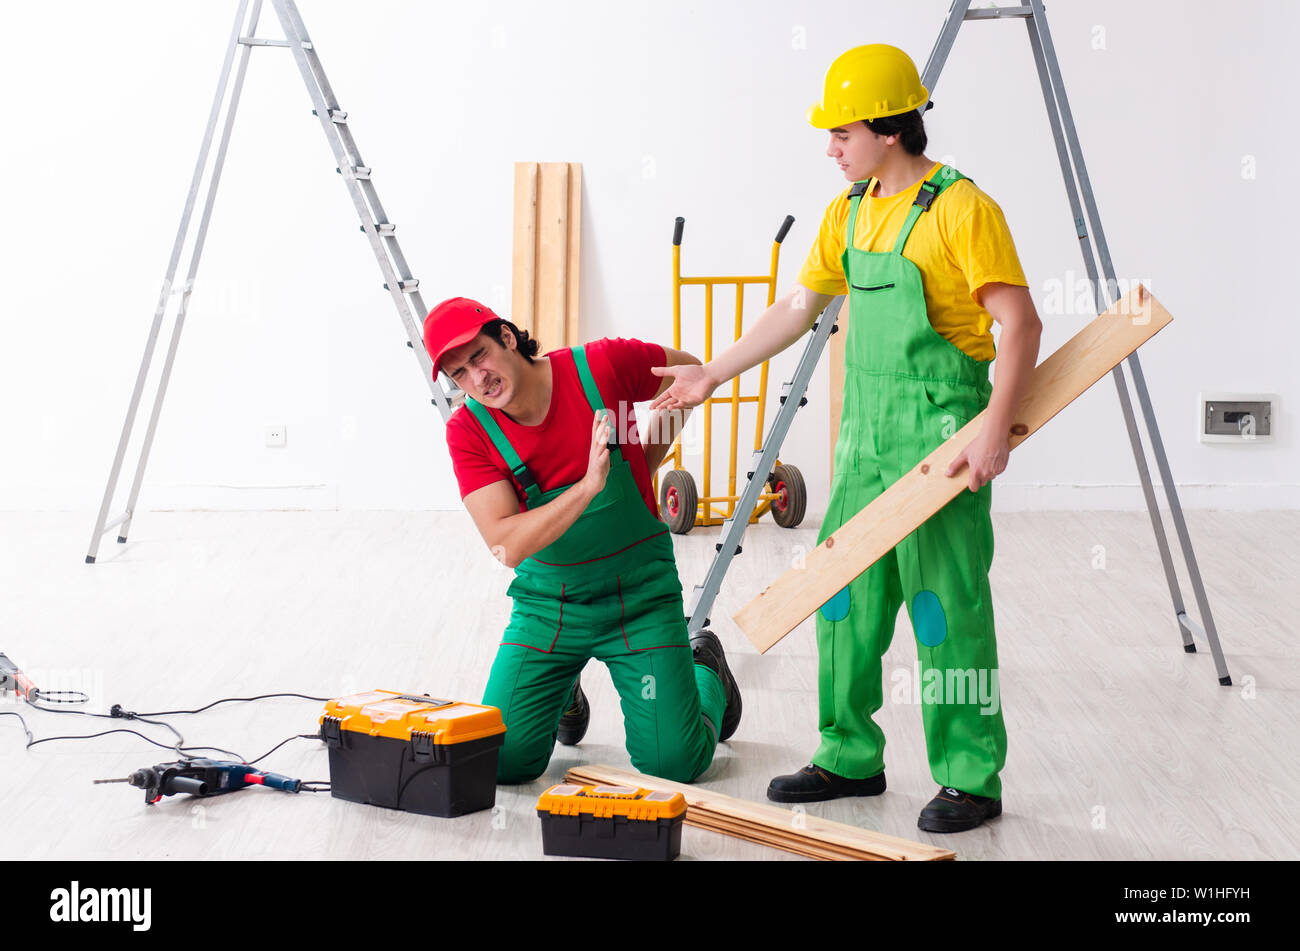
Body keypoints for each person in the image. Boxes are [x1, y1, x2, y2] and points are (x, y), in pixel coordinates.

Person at [649, 44, 1042, 832]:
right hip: (863, 447)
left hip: (943, 450)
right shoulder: (852, 210)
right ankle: (848, 756)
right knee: (843, 603)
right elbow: (798, 307)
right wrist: (712, 374)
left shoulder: (963, 210)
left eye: (842, 132)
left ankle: (971, 776)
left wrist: (996, 428)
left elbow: (1021, 322)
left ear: (889, 129)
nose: (830, 147)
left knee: (943, 613)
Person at [424, 297, 742, 785]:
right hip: (549, 610)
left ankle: (705, 671)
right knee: (502, 761)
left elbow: (690, 373)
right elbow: (506, 545)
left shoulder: (600, 368)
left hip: (640, 598)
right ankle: (561, 687)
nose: (477, 379)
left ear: (507, 337)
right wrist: (589, 487)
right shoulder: (469, 431)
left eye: (479, 356)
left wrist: (642, 460)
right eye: (459, 373)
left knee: (674, 763)